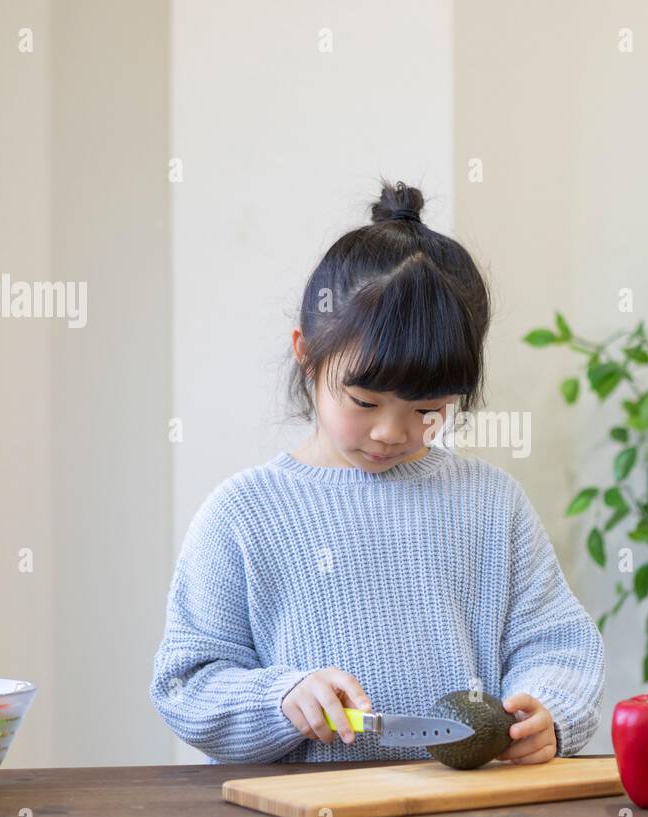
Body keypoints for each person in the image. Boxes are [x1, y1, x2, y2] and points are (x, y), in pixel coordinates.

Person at [149, 178, 605, 764]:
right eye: (364, 402)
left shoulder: (492, 502)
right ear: (306, 355)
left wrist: (548, 708)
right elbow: (186, 684)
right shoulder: (243, 512)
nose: (393, 432)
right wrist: (279, 697)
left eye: (427, 410)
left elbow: (558, 643)